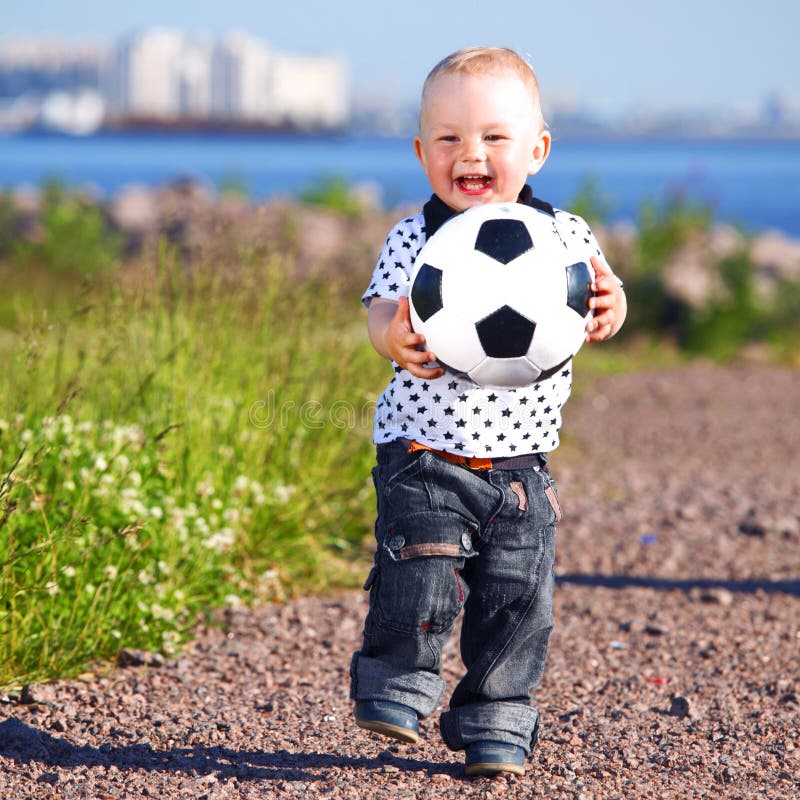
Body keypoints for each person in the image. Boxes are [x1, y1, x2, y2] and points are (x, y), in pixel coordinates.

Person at [349, 46, 627, 778]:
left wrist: (611, 307)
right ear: (421, 152)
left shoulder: (566, 238)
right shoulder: (416, 238)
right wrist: (393, 334)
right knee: (420, 576)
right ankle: (398, 685)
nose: (470, 153)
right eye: (448, 139)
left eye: (494, 138)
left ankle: (497, 723)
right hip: (424, 453)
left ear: (536, 149)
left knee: (517, 605)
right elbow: (379, 307)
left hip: (522, 469)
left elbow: (604, 291)